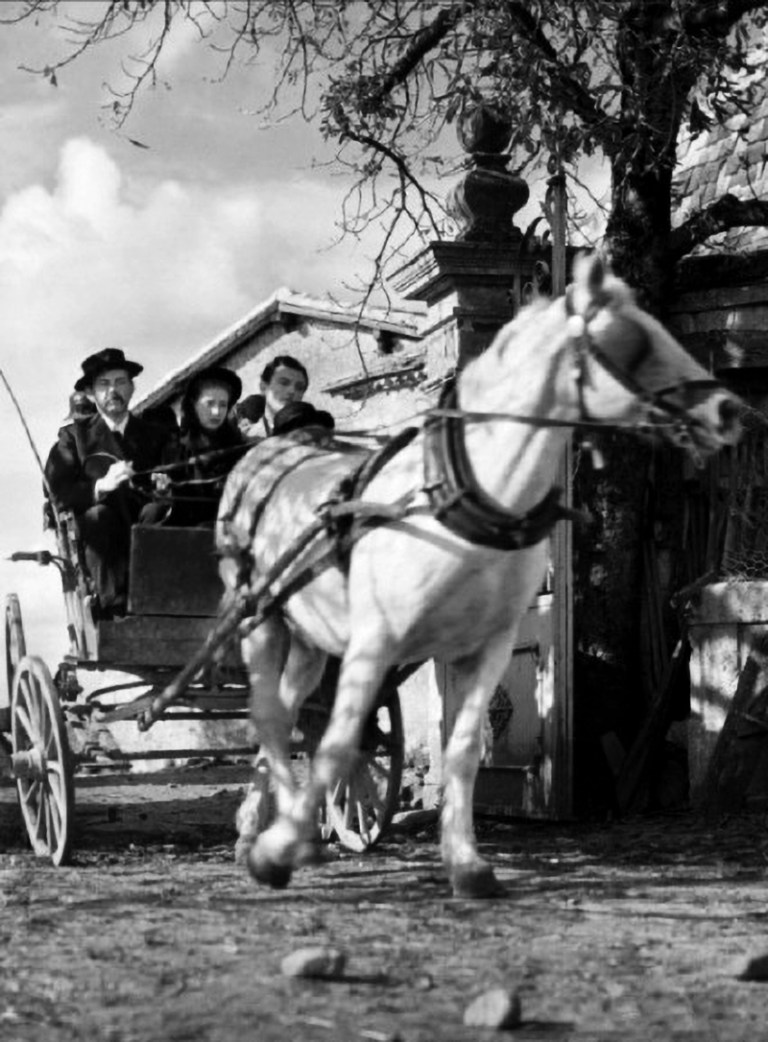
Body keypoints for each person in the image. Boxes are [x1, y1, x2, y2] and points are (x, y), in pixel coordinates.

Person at [45, 347, 175, 616]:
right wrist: (100, 486)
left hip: (146, 529)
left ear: (131, 388)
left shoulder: (156, 436)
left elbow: (172, 474)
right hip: (102, 546)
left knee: (158, 511)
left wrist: (164, 489)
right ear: (92, 393)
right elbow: (58, 492)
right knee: (99, 516)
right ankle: (114, 608)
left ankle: (158, 601)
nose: (112, 391)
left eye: (120, 382)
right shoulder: (74, 438)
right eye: (103, 384)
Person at [169, 366, 247, 527]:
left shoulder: (239, 449)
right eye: (209, 403)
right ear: (194, 405)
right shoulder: (176, 450)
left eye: (223, 405)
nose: (216, 411)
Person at [236, 354, 309, 438]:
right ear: (263, 387)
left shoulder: (315, 433)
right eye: (284, 383)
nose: (292, 391)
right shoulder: (252, 438)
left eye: (299, 388)